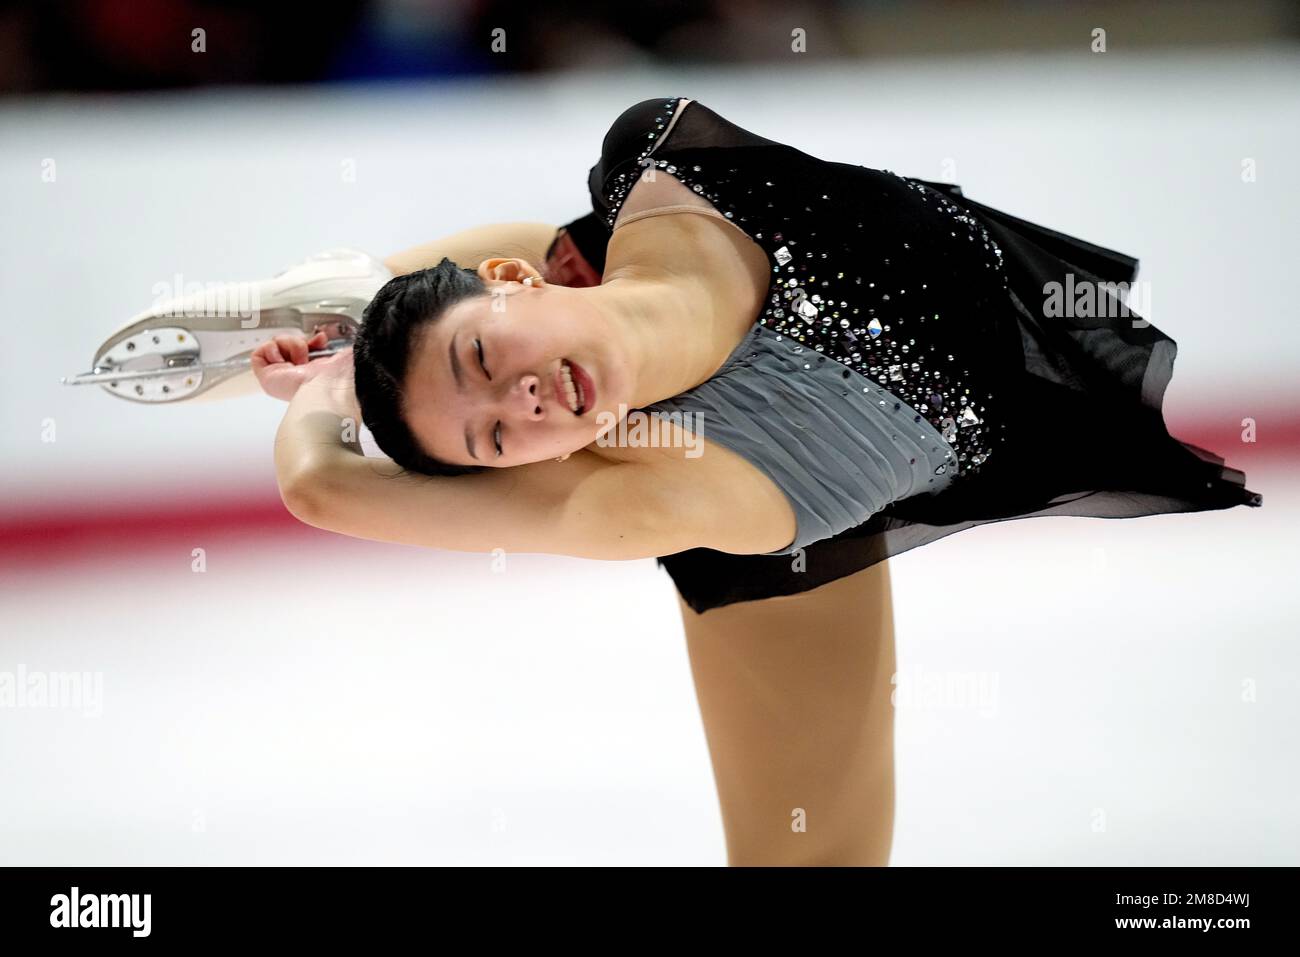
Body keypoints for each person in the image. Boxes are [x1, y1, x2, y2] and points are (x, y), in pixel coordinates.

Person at [255, 96, 1262, 865]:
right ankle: (360, 330)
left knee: (584, 235)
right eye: (490, 440)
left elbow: (542, 332)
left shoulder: (655, 162)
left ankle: (359, 301)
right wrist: (321, 402)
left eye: (485, 367)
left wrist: (356, 367)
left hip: (630, 261)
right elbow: (320, 492)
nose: (522, 403)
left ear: (517, 286)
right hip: (793, 490)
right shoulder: (666, 498)